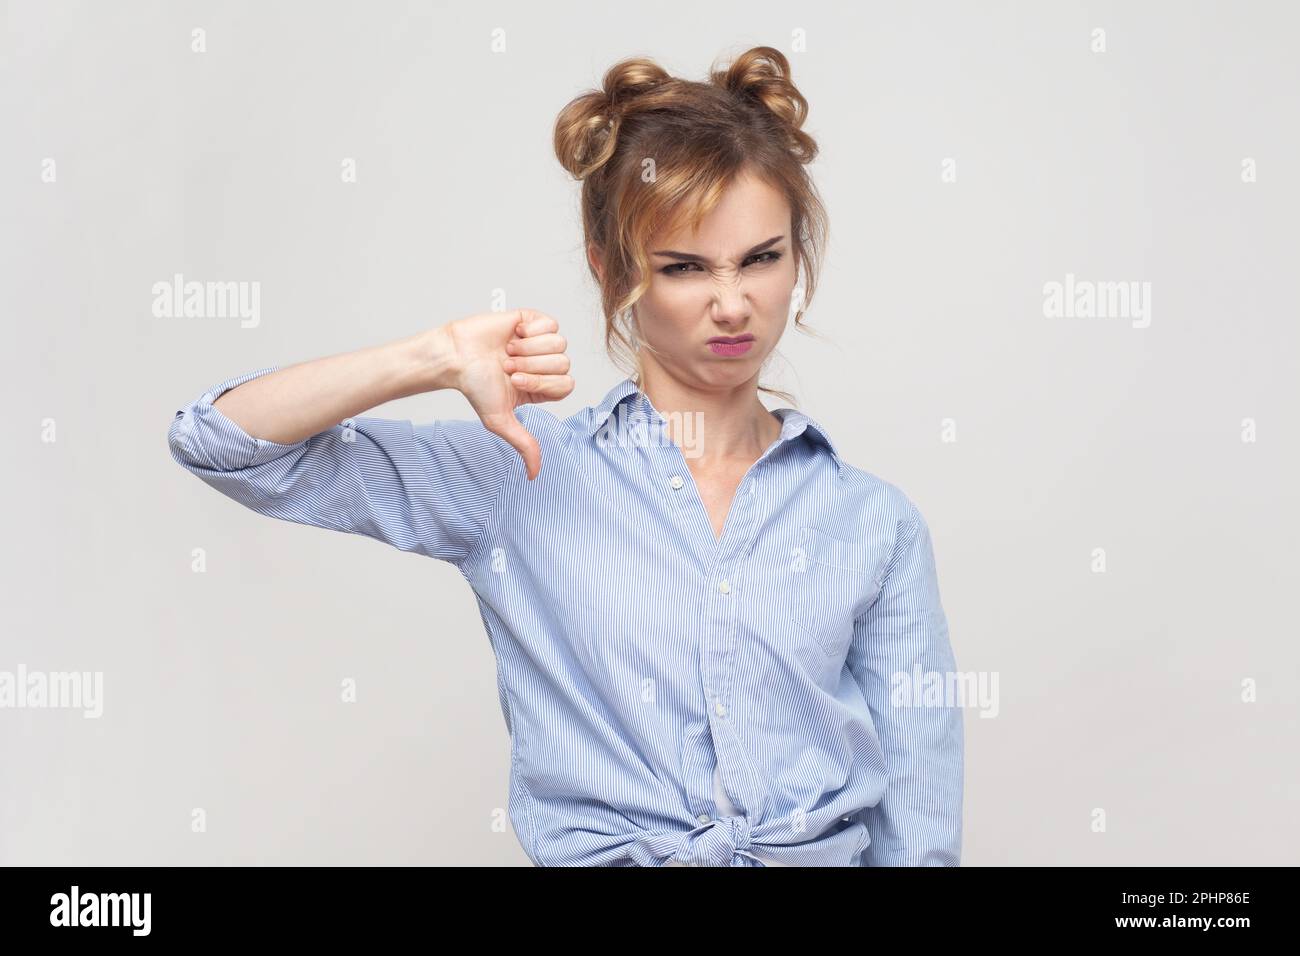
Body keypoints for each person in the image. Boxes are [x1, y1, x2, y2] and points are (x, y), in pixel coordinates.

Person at [167, 45, 963, 867]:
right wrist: (431, 355)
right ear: (611, 269)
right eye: (685, 268)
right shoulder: (520, 470)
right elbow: (221, 443)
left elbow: (919, 827)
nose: (734, 304)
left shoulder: (874, 522)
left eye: (761, 258)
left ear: (797, 256)